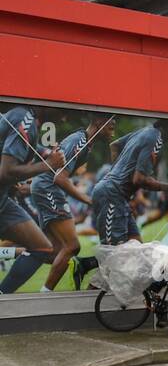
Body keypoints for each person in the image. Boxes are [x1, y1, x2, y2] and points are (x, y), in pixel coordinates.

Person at [74, 121, 168, 288]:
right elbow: (139, 179)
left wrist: (119, 172)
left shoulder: (145, 132)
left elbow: (114, 145)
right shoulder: (154, 138)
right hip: (111, 196)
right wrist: (167, 187)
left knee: (135, 249)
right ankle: (88, 298)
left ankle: (88, 264)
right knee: (115, 258)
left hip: (119, 197)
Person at [29, 114, 114, 292]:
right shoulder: (80, 140)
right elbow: (60, 178)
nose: (112, 133)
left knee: (55, 250)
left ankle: (9, 253)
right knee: (73, 246)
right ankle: (44, 295)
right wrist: (89, 200)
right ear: (99, 122)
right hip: (48, 189)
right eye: (111, 127)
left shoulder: (85, 143)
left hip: (45, 187)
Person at [0, 104, 65, 295]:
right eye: (62, 111)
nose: (64, 119)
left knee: (42, 247)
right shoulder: (25, 118)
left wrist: (44, 154)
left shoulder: (24, 119)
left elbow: (26, 148)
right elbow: (7, 171)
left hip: (3, 200)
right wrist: (48, 164)